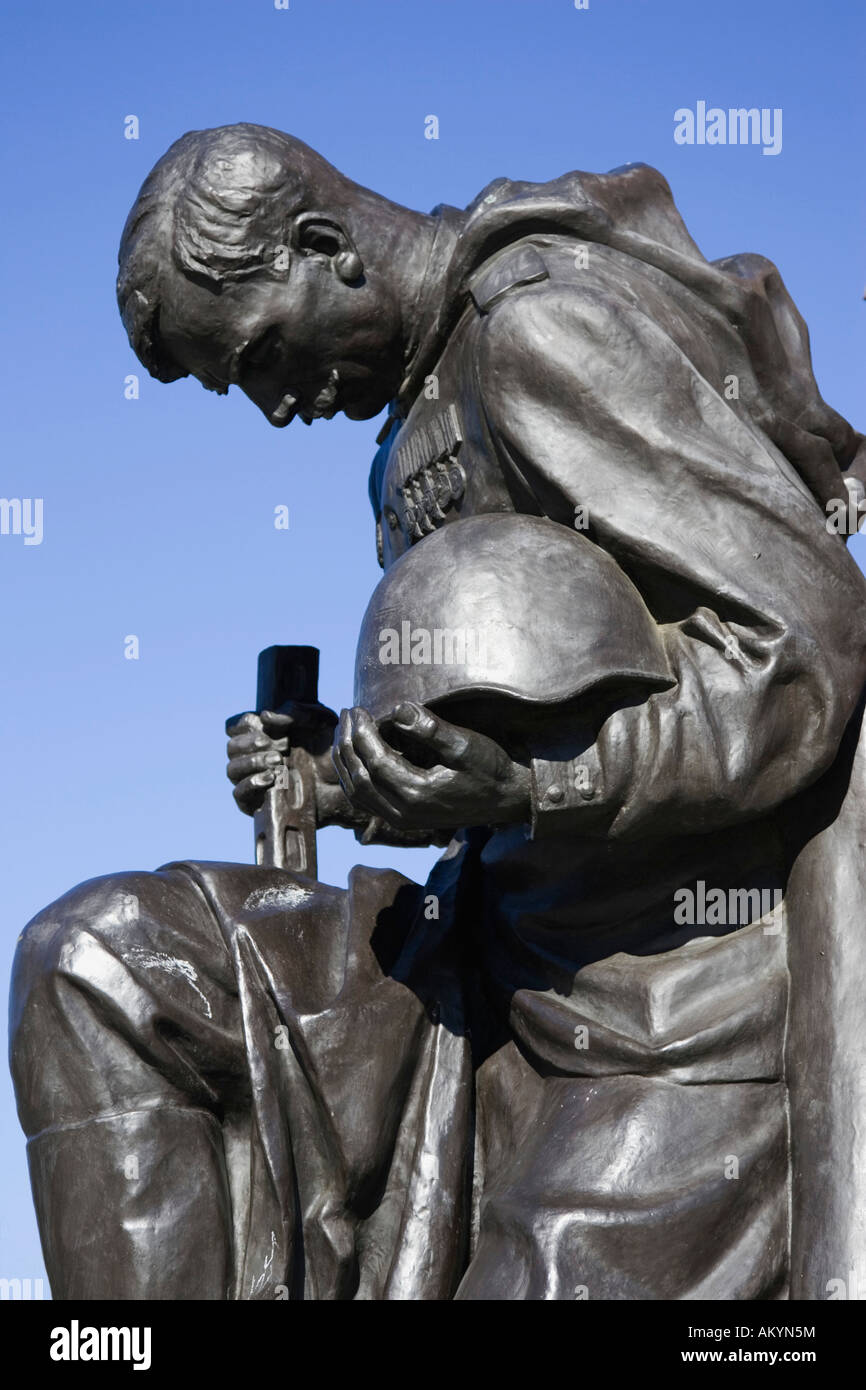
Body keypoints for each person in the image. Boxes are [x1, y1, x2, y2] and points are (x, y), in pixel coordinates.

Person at [10, 124, 866, 1300]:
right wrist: (341, 777)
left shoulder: (540, 331)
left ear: (323, 248)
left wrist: (543, 788)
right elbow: (506, 727)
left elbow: (803, 644)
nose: (270, 409)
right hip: (483, 955)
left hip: (670, 1006)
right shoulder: (406, 430)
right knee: (97, 961)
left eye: (257, 357)